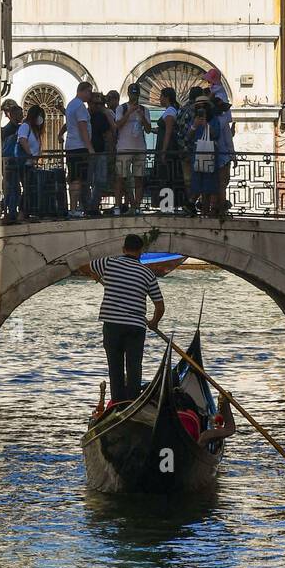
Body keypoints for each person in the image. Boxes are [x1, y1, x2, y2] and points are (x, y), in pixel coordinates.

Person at [81, 235, 165, 404]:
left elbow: (83, 266)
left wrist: (96, 277)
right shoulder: (147, 273)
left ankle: (119, 402)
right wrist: (153, 322)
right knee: (134, 366)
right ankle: (133, 402)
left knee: (115, 366)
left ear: (123, 249)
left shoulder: (108, 263)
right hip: (136, 326)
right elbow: (160, 306)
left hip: (112, 324)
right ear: (141, 252)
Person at [114, 83, 151, 215]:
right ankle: (118, 206)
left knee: (139, 178)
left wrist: (142, 117)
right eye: (132, 94)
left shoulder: (144, 110)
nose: (134, 96)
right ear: (128, 94)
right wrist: (129, 112)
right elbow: (117, 125)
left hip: (140, 148)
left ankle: (137, 206)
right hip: (124, 148)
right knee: (121, 178)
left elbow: (148, 129)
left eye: (136, 94)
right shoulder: (121, 108)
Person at [176, 86, 206, 215]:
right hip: (194, 148)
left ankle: (190, 204)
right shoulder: (197, 111)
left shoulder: (182, 109)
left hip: (182, 148)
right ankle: (194, 204)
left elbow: (177, 128)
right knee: (200, 177)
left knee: (188, 179)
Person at [65, 81, 94, 217]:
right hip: (79, 147)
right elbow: (83, 127)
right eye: (89, 91)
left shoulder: (71, 104)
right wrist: (89, 147)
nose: (90, 95)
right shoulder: (80, 106)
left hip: (71, 146)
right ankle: (74, 208)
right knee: (78, 179)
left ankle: (74, 207)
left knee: (74, 178)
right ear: (82, 91)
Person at [188, 99, 221, 216]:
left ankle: (206, 211)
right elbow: (189, 136)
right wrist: (194, 126)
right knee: (197, 182)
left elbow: (216, 134)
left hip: (209, 154)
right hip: (197, 154)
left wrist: (206, 125)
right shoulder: (194, 120)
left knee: (208, 185)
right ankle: (195, 206)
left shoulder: (213, 120)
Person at [86, 93, 116, 216]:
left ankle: (93, 206)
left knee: (101, 181)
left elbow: (108, 133)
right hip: (87, 153)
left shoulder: (102, 116)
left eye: (100, 103)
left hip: (101, 152)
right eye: (96, 103)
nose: (98, 106)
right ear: (89, 103)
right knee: (87, 181)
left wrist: (112, 148)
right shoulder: (84, 114)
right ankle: (87, 207)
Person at [155, 86, 182, 210]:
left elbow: (168, 132)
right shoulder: (170, 111)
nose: (159, 99)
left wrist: (163, 151)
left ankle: (167, 206)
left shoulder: (170, 111)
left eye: (161, 96)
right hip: (167, 147)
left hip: (168, 149)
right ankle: (166, 206)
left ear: (166, 98)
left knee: (167, 177)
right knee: (166, 177)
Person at [16, 105, 44, 219]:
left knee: (31, 187)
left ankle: (27, 211)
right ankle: (22, 212)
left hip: (31, 164)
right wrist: (30, 154)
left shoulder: (35, 129)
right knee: (27, 188)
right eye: (40, 116)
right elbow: (22, 140)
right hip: (24, 163)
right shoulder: (25, 126)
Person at [1, 101, 24, 222]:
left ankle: (13, 211)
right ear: (13, 115)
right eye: (19, 114)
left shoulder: (17, 128)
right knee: (11, 187)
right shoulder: (9, 130)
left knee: (15, 188)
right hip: (9, 161)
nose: (21, 116)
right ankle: (11, 211)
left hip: (16, 161)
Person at [214, 97, 236, 217]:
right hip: (223, 157)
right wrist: (233, 156)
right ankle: (221, 210)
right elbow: (228, 141)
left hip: (211, 157)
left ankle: (212, 209)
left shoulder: (210, 120)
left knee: (213, 184)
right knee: (222, 184)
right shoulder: (223, 122)